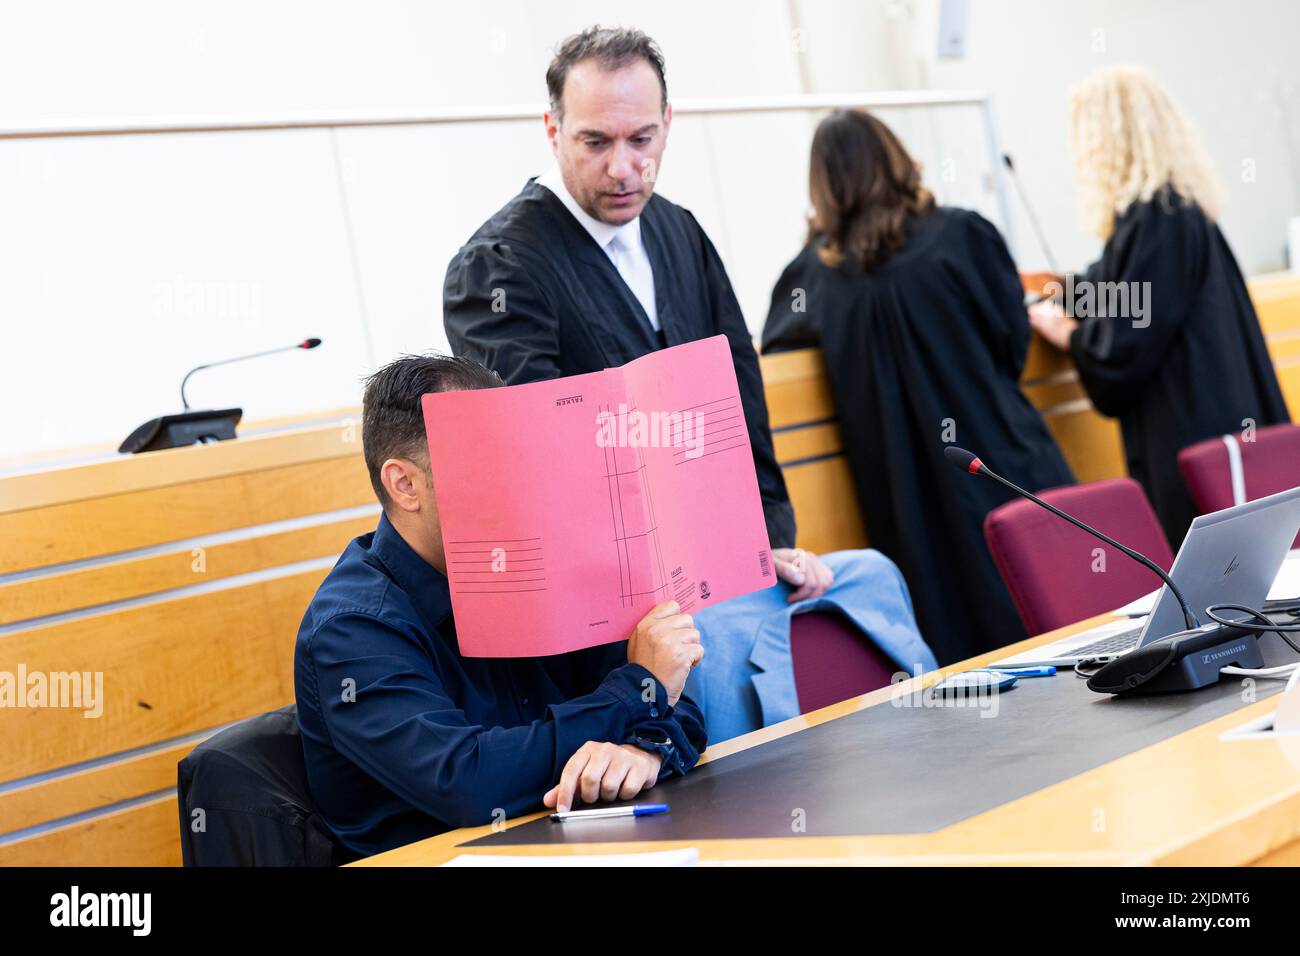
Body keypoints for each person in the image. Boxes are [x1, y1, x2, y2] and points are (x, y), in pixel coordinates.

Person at [443, 25, 833, 601]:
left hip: (725, 569)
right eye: (595, 142)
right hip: (607, 600)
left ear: (668, 125)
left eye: (642, 139)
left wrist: (767, 539)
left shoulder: (679, 230)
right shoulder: (499, 266)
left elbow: (739, 398)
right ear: (553, 132)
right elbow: (538, 460)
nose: (624, 168)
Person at [293, 354, 708, 858]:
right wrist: (636, 694)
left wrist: (644, 749)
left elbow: (674, 697)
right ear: (405, 485)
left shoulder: (537, 561)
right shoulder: (351, 628)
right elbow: (468, 780)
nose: (519, 484)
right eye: (488, 461)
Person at [762, 109, 1075, 665]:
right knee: (1066, 623)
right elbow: (1011, 345)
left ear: (824, 187)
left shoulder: (811, 275)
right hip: (999, 460)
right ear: (897, 159)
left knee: (969, 657)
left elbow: (778, 358)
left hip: (908, 501)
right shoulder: (963, 234)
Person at [1030, 66, 1289, 546]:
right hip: (1223, 418)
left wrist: (1068, 335)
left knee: (1216, 579)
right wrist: (1060, 290)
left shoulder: (1156, 220)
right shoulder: (1175, 211)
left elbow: (1126, 345)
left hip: (1191, 430)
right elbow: (1127, 288)